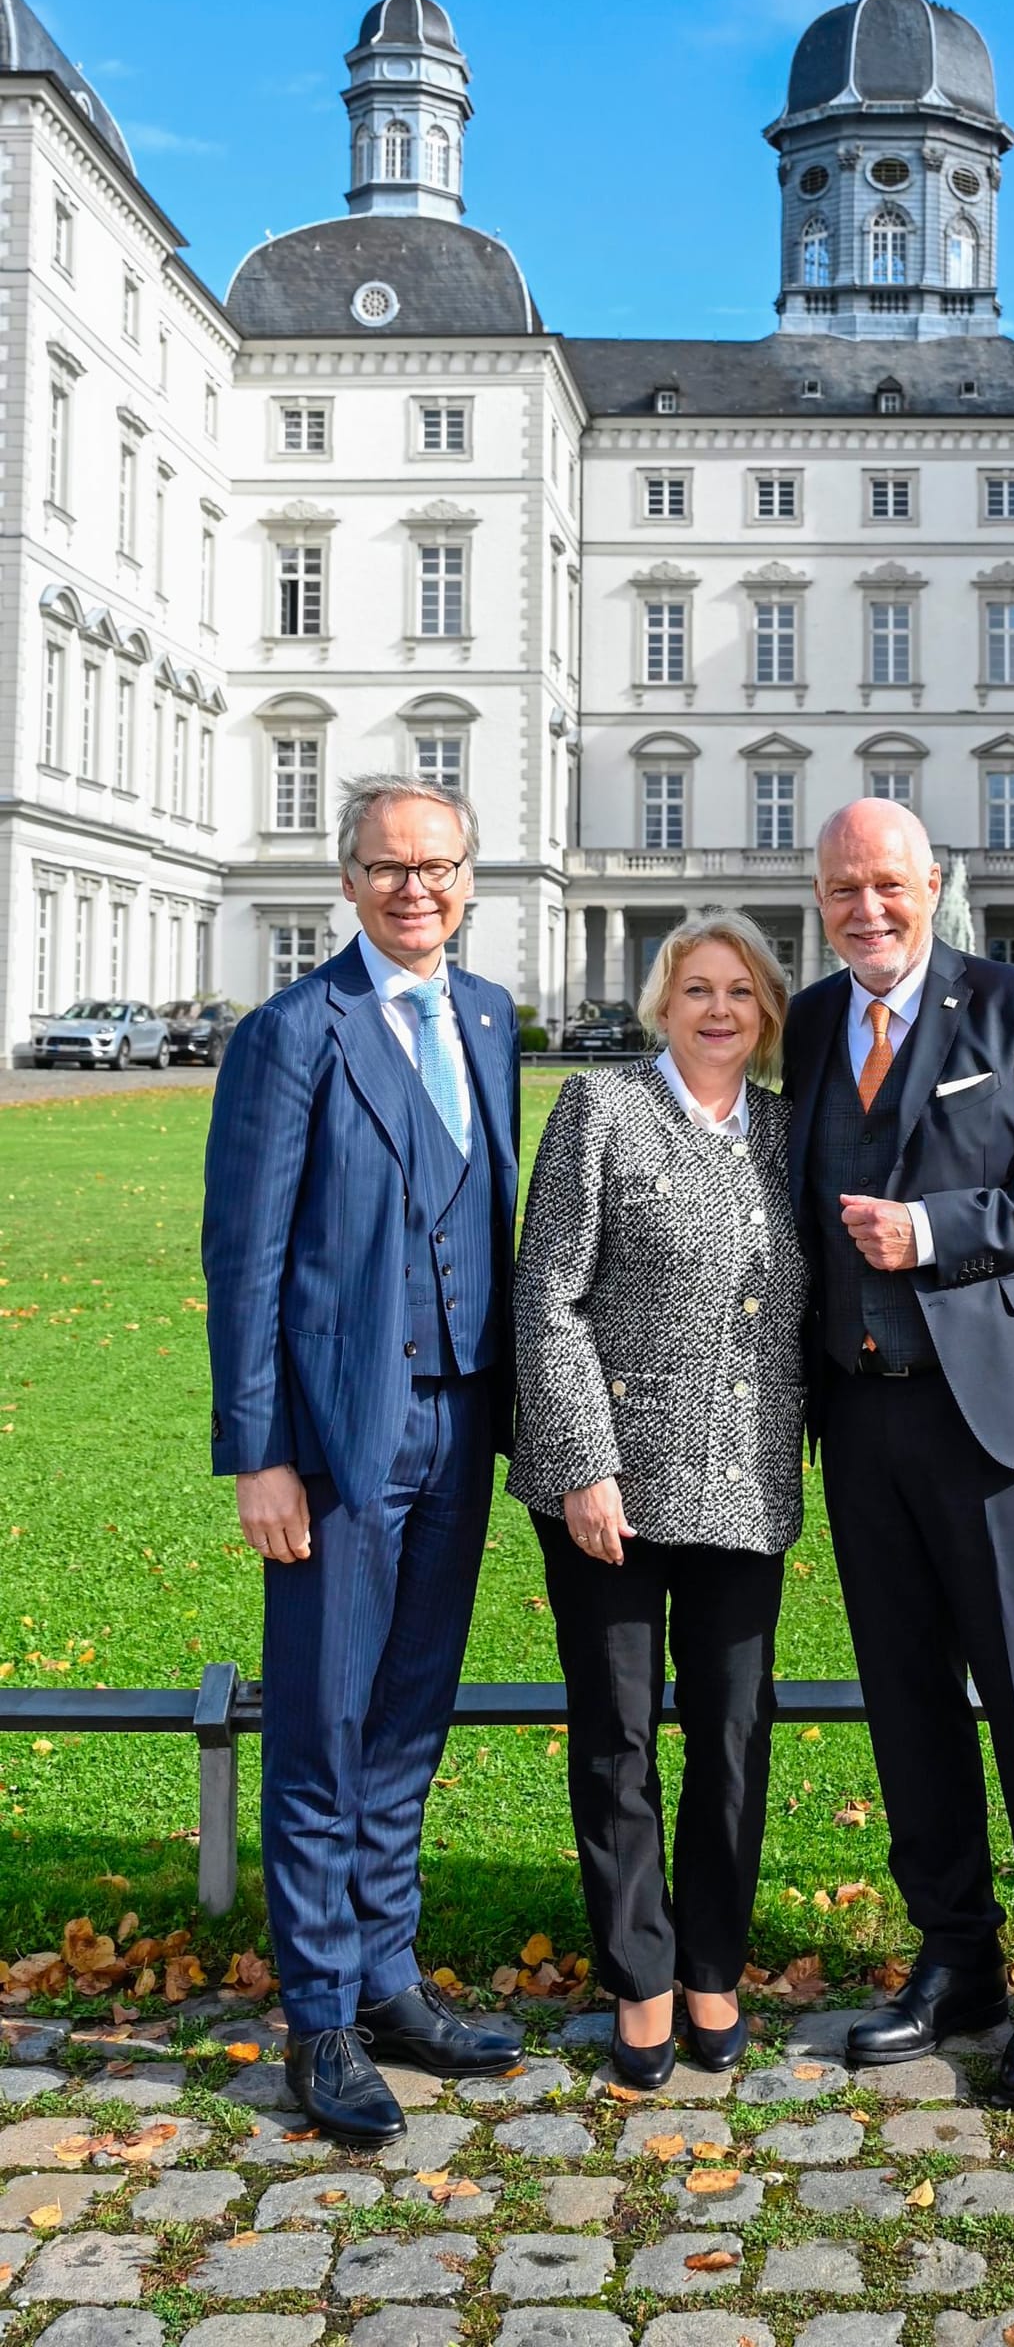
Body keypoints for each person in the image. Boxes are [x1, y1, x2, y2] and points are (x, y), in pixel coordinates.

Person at [782, 800, 1014, 2106]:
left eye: (886, 885)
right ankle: (953, 1955)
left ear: (932, 885)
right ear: (816, 901)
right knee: (905, 1700)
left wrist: (934, 1231)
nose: (865, 910)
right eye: (838, 891)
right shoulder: (812, 1022)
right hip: (860, 1416)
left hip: (994, 1419)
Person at [202, 773, 524, 2144]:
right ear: (347, 880)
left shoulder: (491, 1018)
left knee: (407, 1716)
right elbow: (247, 1257)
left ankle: (388, 1976)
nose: (415, 890)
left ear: (467, 880)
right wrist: (259, 1454)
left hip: (462, 1426)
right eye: (389, 868)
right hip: (337, 1437)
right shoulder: (291, 1033)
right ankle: (320, 2017)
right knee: (325, 1728)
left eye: (438, 867)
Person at [510, 912, 809, 2091]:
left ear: (768, 1013)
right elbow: (548, 1296)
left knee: (733, 1738)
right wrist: (585, 1463)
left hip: (743, 1479)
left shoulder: (786, 1132)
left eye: (740, 990)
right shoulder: (601, 1109)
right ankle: (639, 1975)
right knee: (618, 1737)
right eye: (696, 989)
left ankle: (711, 1966)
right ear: (660, 1004)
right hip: (612, 1490)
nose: (719, 1009)